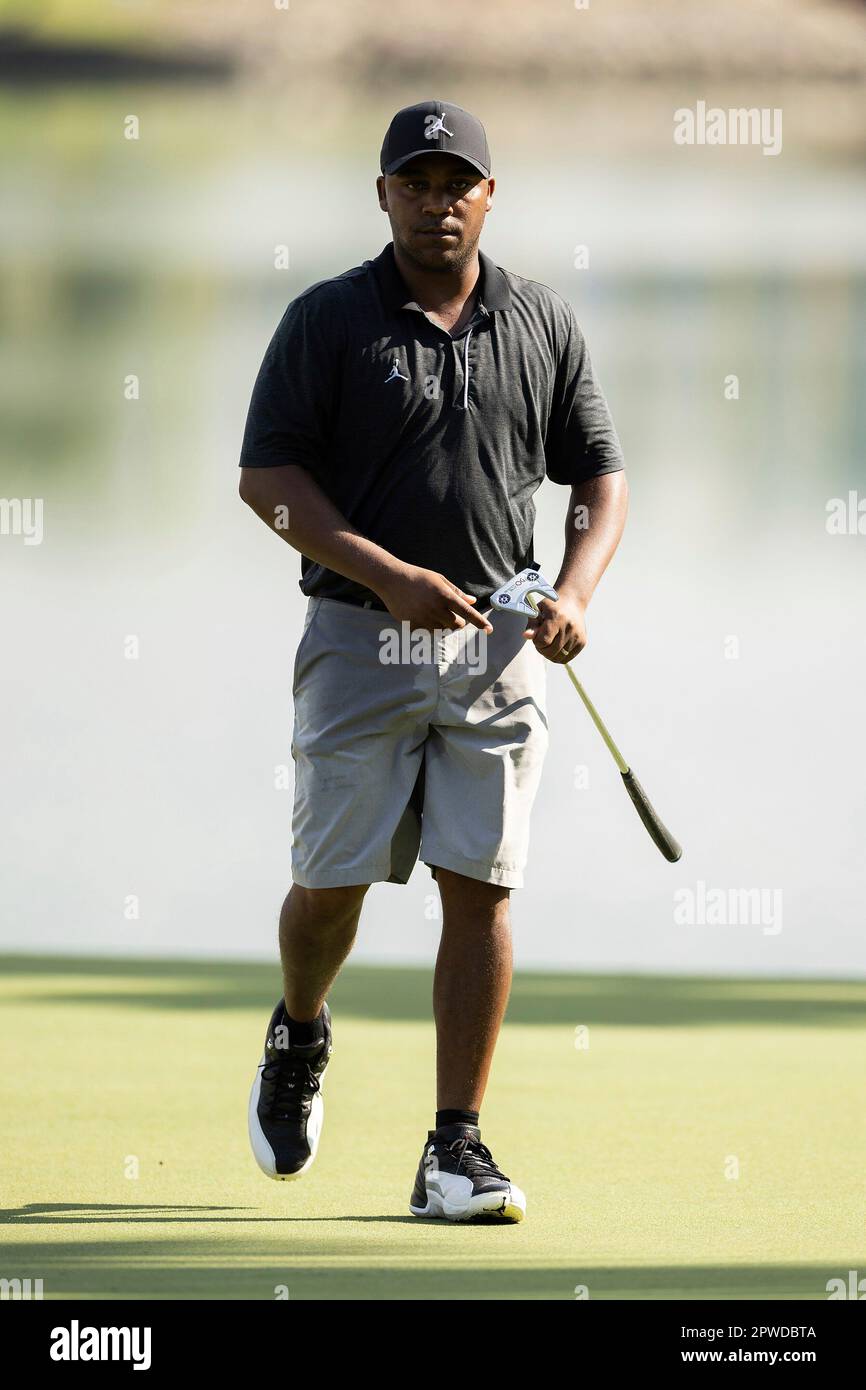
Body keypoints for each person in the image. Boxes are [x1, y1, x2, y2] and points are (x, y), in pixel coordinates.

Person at [238, 99, 628, 1223]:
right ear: (383, 196)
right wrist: (389, 574)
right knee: (331, 885)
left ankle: (452, 1147)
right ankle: (300, 1027)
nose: (437, 198)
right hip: (360, 641)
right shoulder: (327, 322)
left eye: (457, 181)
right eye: (415, 180)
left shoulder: (539, 320)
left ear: (489, 196)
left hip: (499, 651)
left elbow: (599, 475)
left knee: (482, 886)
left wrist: (577, 593)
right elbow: (269, 483)